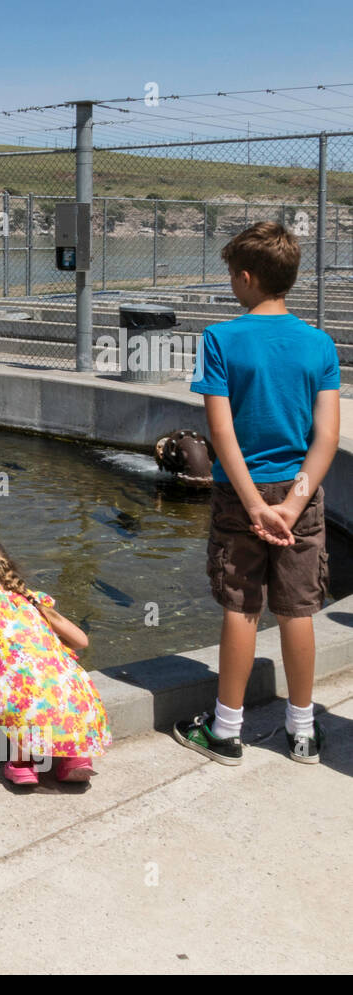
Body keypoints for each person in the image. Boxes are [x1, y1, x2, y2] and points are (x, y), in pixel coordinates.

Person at [175, 222, 341, 766]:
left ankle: (226, 730)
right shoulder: (319, 343)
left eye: (231, 274)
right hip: (302, 496)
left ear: (245, 277)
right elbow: (328, 436)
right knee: (298, 610)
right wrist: (293, 503)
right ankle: (302, 731)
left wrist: (252, 504)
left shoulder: (221, 338)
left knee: (241, 607)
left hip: (239, 496)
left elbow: (221, 433)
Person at [0, 535, 111, 786]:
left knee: (21, 692)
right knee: (59, 682)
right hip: (78, 697)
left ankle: (23, 766)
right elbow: (81, 641)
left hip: (28, 702)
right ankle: (76, 761)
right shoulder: (32, 598)